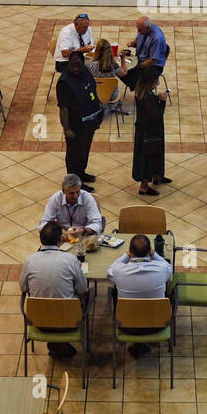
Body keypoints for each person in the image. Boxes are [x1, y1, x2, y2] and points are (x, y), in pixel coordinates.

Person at [19, 220, 89, 359]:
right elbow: (82, 289)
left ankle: (57, 346)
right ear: (59, 240)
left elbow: (23, 287)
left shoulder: (30, 260)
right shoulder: (70, 260)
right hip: (69, 322)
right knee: (87, 297)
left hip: (39, 321)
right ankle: (59, 346)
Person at [107, 234, 174, 356]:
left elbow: (110, 270)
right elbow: (169, 268)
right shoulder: (162, 268)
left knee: (115, 291)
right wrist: (154, 255)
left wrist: (126, 255)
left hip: (127, 325)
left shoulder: (119, 271)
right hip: (157, 324)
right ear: (149, 251)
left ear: (130, 252)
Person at [56, 51, 102, 187]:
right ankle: (74, 183)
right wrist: (66, 128)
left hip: (89, 122)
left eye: (78, 66)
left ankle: (81, 173)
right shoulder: (64, 82)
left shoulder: (86, 71)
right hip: (75, 125)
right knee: (74, 155)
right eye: (73, 66)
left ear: (83, 63)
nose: (75, 69)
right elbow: (63, 108)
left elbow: (92, 91)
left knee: (84, 150)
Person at [124, 65, 167, 197]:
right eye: (156, 82)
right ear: (150, 82)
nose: (157, 84)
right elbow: (157, 115)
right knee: (147, 157)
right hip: (148, 132)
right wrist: (162, 102)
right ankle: (144, 186)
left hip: (145, 130)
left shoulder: (142, 92)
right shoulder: (147, 98)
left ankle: (156, 175)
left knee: (152, 154)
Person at [85, 38, 128, 113]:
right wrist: (123, 58)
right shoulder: (113, 66)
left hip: (94, 95)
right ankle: (112, 106)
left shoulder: (89, 65)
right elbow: (124, 73)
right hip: (111, 96)